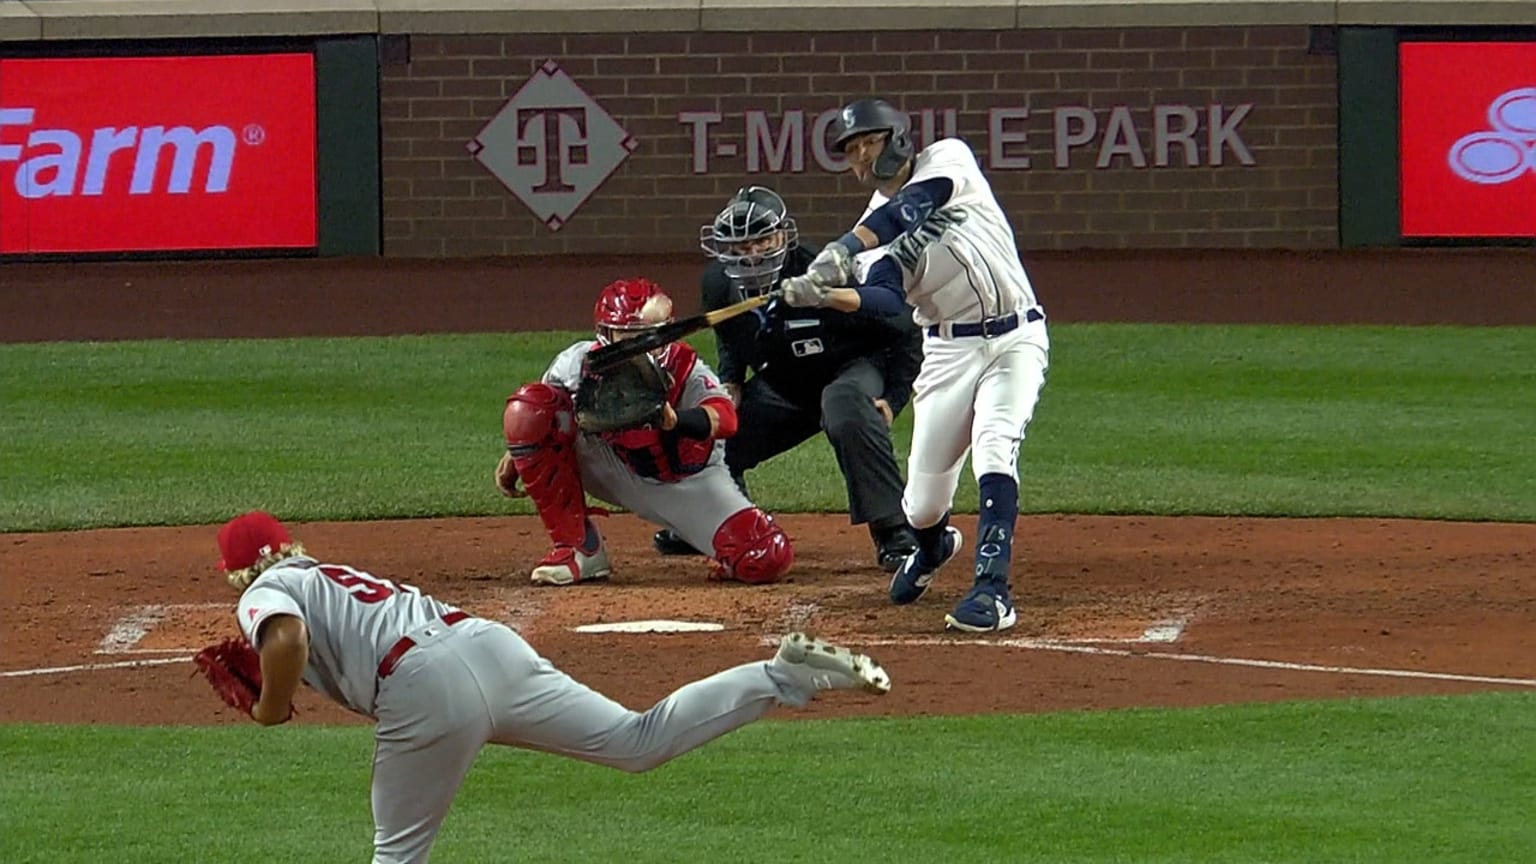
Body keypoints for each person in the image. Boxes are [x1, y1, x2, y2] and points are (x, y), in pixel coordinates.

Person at [212, 509, 891, 864]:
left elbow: (288, 640)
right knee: (636, 740)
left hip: (421, 690)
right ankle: (787, 674)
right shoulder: (326, 574)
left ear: (240, 571)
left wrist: (272, 708)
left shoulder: (268, 589)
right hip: (488, 645)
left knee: (397, 854)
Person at [778, 99, 1050, 634]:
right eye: (852, 151)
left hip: (1016, 335)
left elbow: (913, 205)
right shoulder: (866, 245)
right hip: (948, 353)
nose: (861, 157)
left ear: (897, 138)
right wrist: (827, 295)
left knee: (996, 446)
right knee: (922, 507)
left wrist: (842, 248)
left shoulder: (948, 159)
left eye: (868, 142)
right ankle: (932, 548)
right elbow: (885, 303)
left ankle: (992, 590)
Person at [651, 185, 924, 572]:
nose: (752, 254)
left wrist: (894, 398)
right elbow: (730, 336)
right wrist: (731, 382)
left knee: (842, 404)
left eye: (762, 240)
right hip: (785, 386)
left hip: (852, 370)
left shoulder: (825, 271)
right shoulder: (719, 284)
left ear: (783, 236)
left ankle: (894, 532)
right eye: (740, 246)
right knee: (706, 430)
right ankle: (717, 522)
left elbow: (905, 328)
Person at [494, 277, 795, 586]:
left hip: (687, 486)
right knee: (529, 408)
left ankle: (706, 538)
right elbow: (545, 413)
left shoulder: (687, 368)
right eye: (628, 335)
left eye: (647, 335)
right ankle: (579, 549)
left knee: (767, 557)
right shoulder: (577, 363)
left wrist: (674, 420)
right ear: (606, 333)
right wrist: (518, 454)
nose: (638, 344)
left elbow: (726, 419)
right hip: (611, 466)